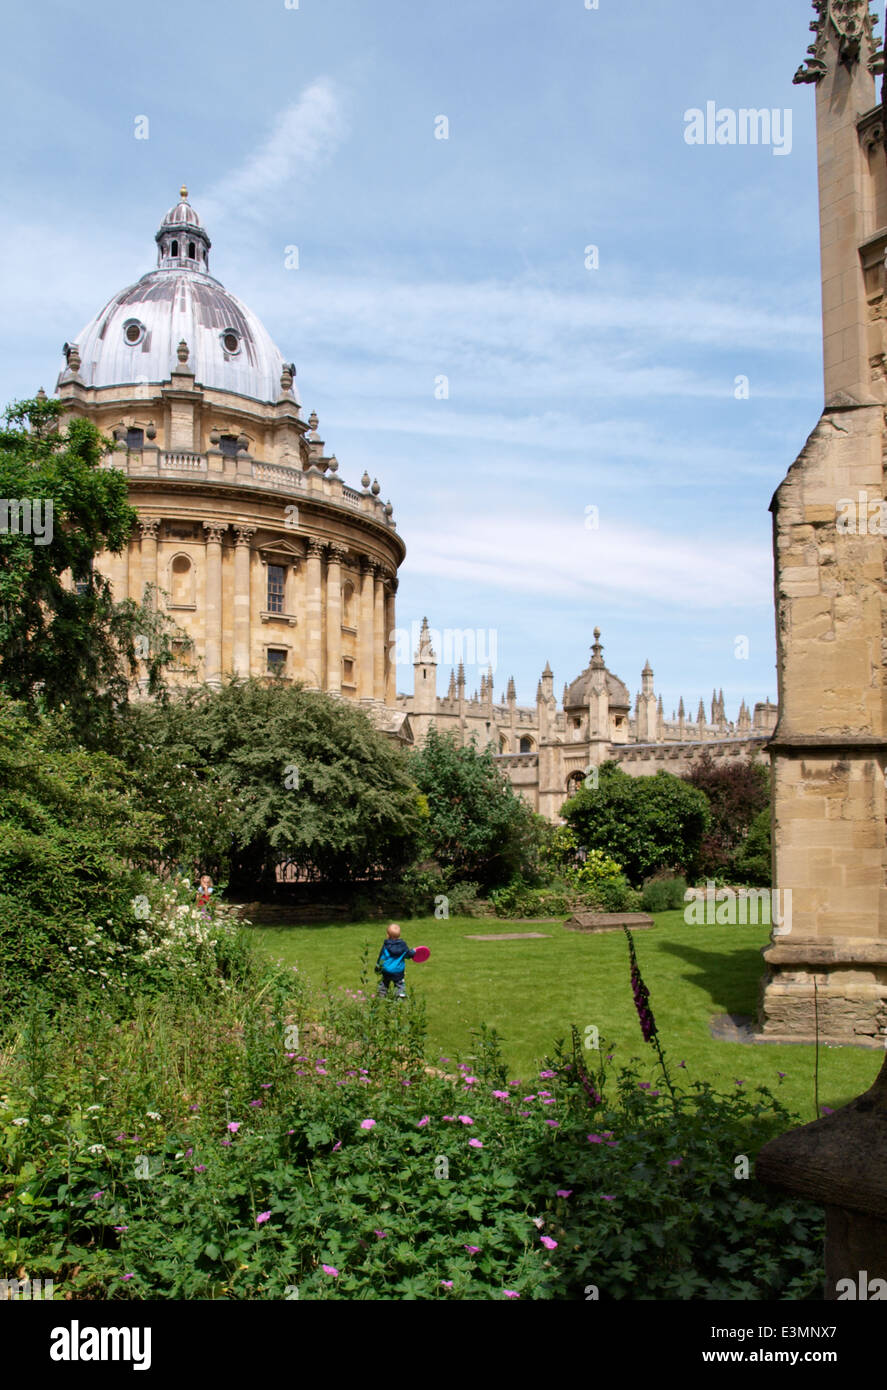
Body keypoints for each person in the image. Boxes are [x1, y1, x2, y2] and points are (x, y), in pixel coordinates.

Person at [375, 922, 416, 999]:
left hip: (387, 970)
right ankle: (400, 995)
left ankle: (381, 994)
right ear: (399, 935)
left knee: (384, 982)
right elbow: (408, 955)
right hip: (398, 970)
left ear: (387, 935)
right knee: (399, 983)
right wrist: (413, 952)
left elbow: (382, 958)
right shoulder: (403, 945)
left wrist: (377, 967)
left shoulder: (386, 946)